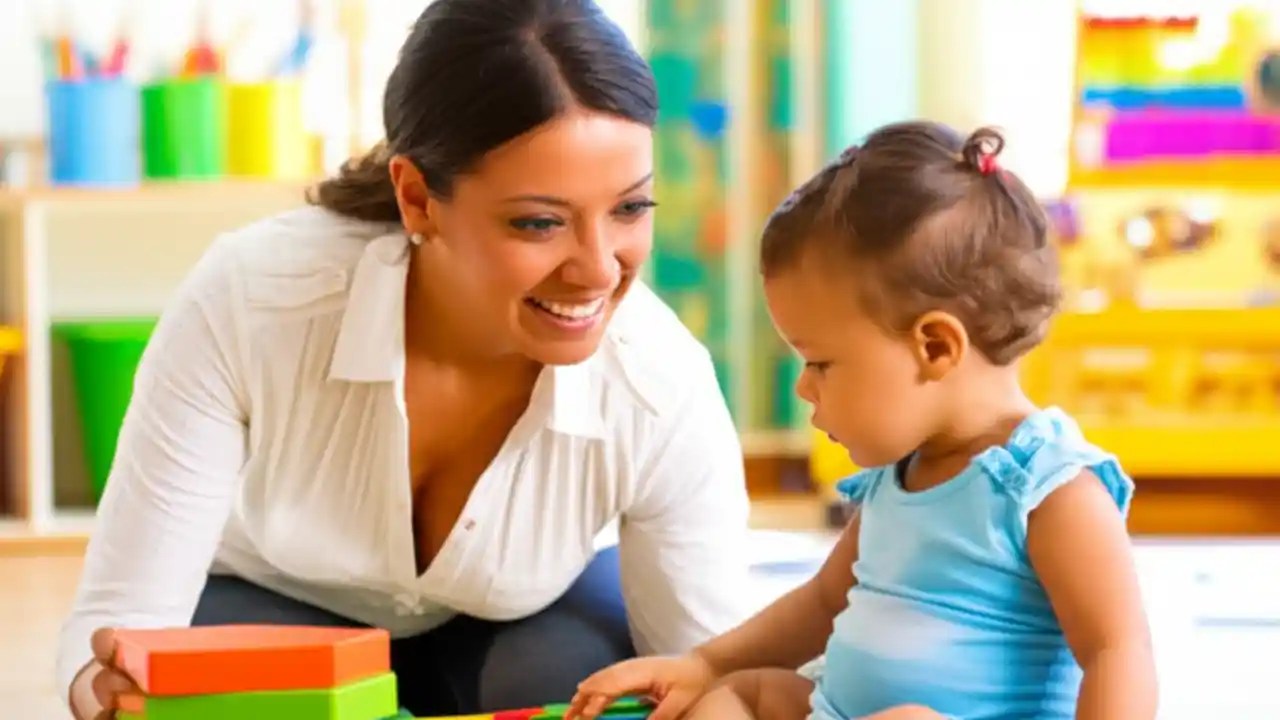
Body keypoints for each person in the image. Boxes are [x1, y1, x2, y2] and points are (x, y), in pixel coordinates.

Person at [58, 1, 754, 717]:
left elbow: (714, 667)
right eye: (540, 222)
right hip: (275, 606)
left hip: (521, 635)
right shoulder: (253, 300)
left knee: (582, 674)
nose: (599, 270)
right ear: (418, 198)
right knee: (231, 692)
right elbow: (120, 624)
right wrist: (109, 690)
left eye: (631, 209)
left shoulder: (657, 379)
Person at [568, 122, 1158, 720]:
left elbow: (1117, 650)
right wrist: (706, 664)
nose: (804, 386)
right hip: (838, 711)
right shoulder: (902, 472)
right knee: (741, 696)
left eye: (820, 362)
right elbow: (825, 600)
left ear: (933, 346)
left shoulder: (1048, 490)